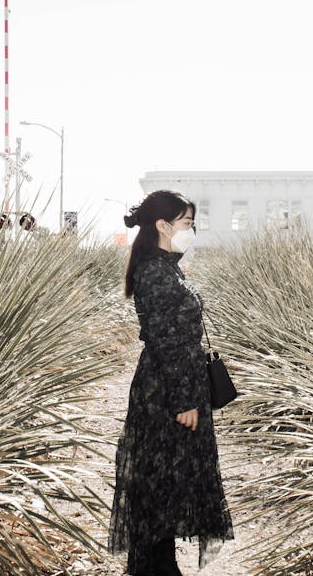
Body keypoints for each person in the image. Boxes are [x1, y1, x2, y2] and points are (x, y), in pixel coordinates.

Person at [109, 190, 234, 575]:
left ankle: (157, 566)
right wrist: (183, 402)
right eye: (186, 223)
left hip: (175, 386)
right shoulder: (155, 271)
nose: (191, 230)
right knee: (159, 483)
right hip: (166, 393)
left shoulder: (166, 265)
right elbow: (165, 342)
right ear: (163, 226)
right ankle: (154, 568)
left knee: (165, 483)